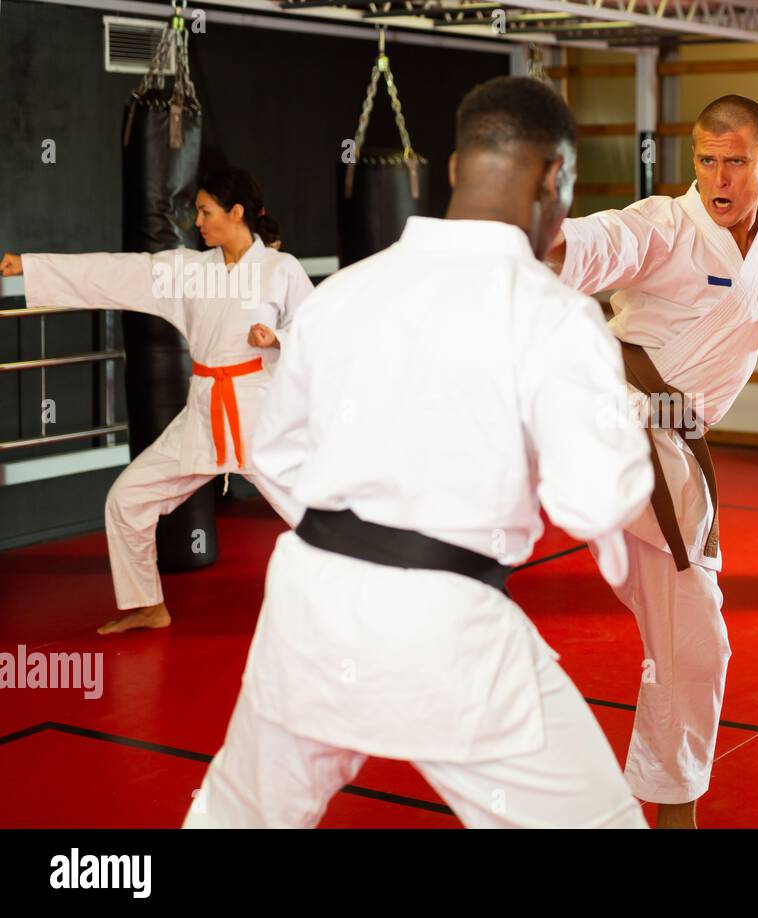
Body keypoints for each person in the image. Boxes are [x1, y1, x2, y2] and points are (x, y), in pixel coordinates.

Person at [183, 76, 655, 829]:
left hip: (310, 602)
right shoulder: (555, 316)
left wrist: (364, 523)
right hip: (447, 625)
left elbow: (272, 451)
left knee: (236, 816)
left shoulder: (343, 292)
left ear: (457, 167)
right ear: (556, 179)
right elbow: (594, 498)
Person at [548, 94, 758, 828]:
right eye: (706, 160)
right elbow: (603, 241)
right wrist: (544, 236)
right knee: (696, 635)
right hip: (617, 419)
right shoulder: (666, 224)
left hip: (670, 447)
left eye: (736, 161)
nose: (719, 178)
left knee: (690, 641)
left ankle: (673, 803)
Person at [1, 168, 311, 634]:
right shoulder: (189, 270)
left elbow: (316, 328)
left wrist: (277, 338)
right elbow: (117, 273)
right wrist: (32, 265)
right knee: (127, 499)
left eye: (206, 212)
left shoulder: (280, 269)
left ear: (236, 213)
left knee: (315, 514)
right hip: (204, 412)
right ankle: (147, 605)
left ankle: (364, 601)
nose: (198, 222)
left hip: (259, 416)